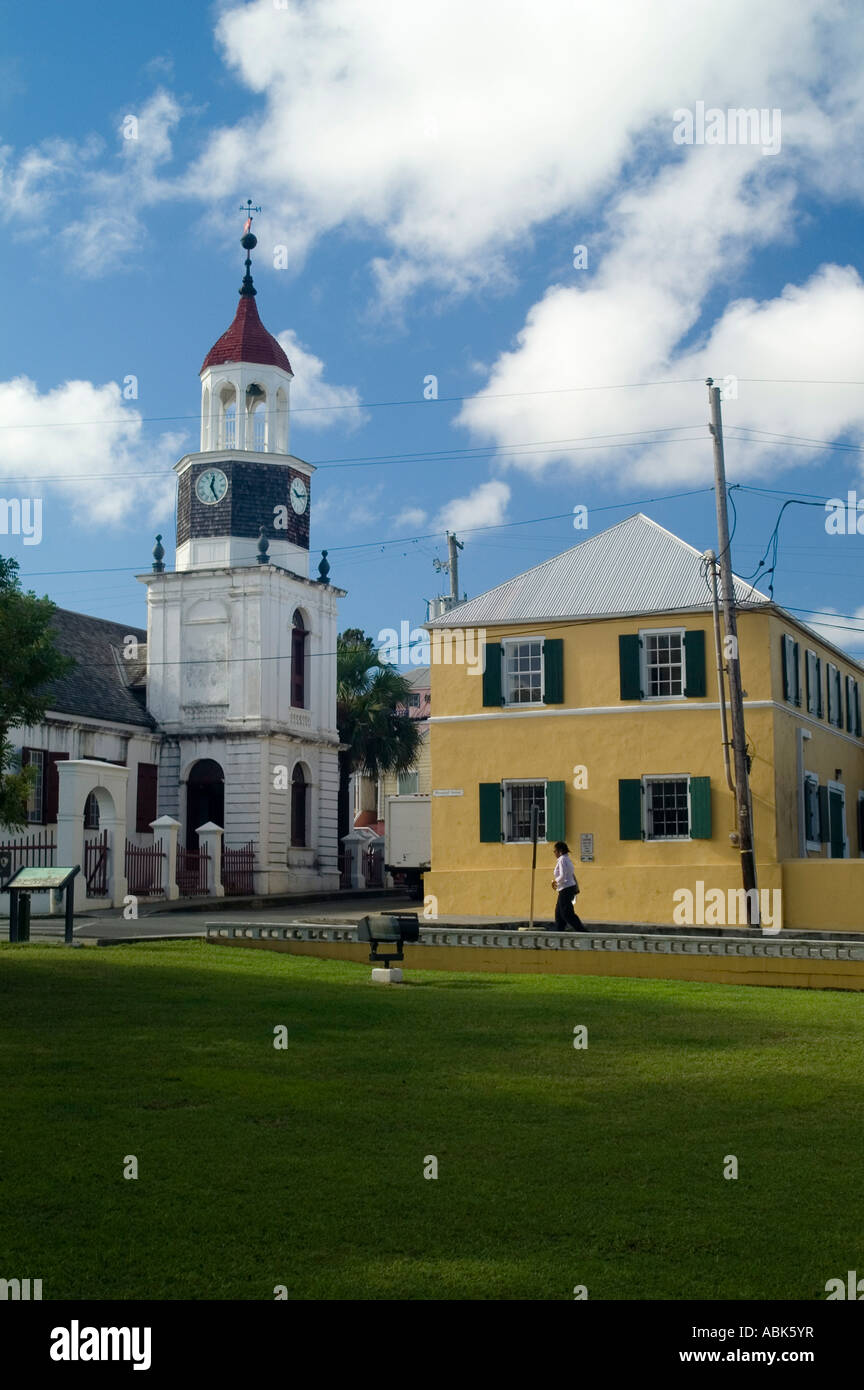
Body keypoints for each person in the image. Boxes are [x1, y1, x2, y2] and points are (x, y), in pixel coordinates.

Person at [551, 841, 584, 930]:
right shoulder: (567, 859)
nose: (554, 853)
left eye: (555, 851)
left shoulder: (562, 859)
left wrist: (555, 881)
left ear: (560, 850)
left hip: (566, 888)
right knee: (559, 913)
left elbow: (563, 875)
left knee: (566, 913)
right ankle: (559, 932)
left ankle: (582, 931)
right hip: (566, 888)